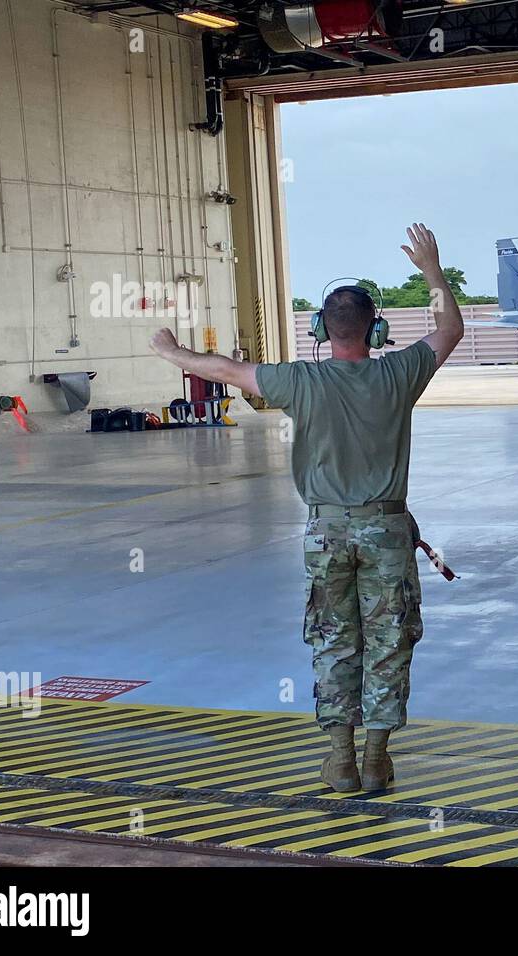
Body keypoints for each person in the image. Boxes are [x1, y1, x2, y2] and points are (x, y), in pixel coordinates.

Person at [149, 223, 464, 792]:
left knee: (334, 638)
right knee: (389, 640)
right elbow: (450, 328)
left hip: (327, 534)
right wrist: (431, 268)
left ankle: (339, 759)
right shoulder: (400, 373)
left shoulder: (300, 382)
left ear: (320, 329)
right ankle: (376, 760)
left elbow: (222, 368)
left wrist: (174, 352)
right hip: (387, 530)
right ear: (378, 327)